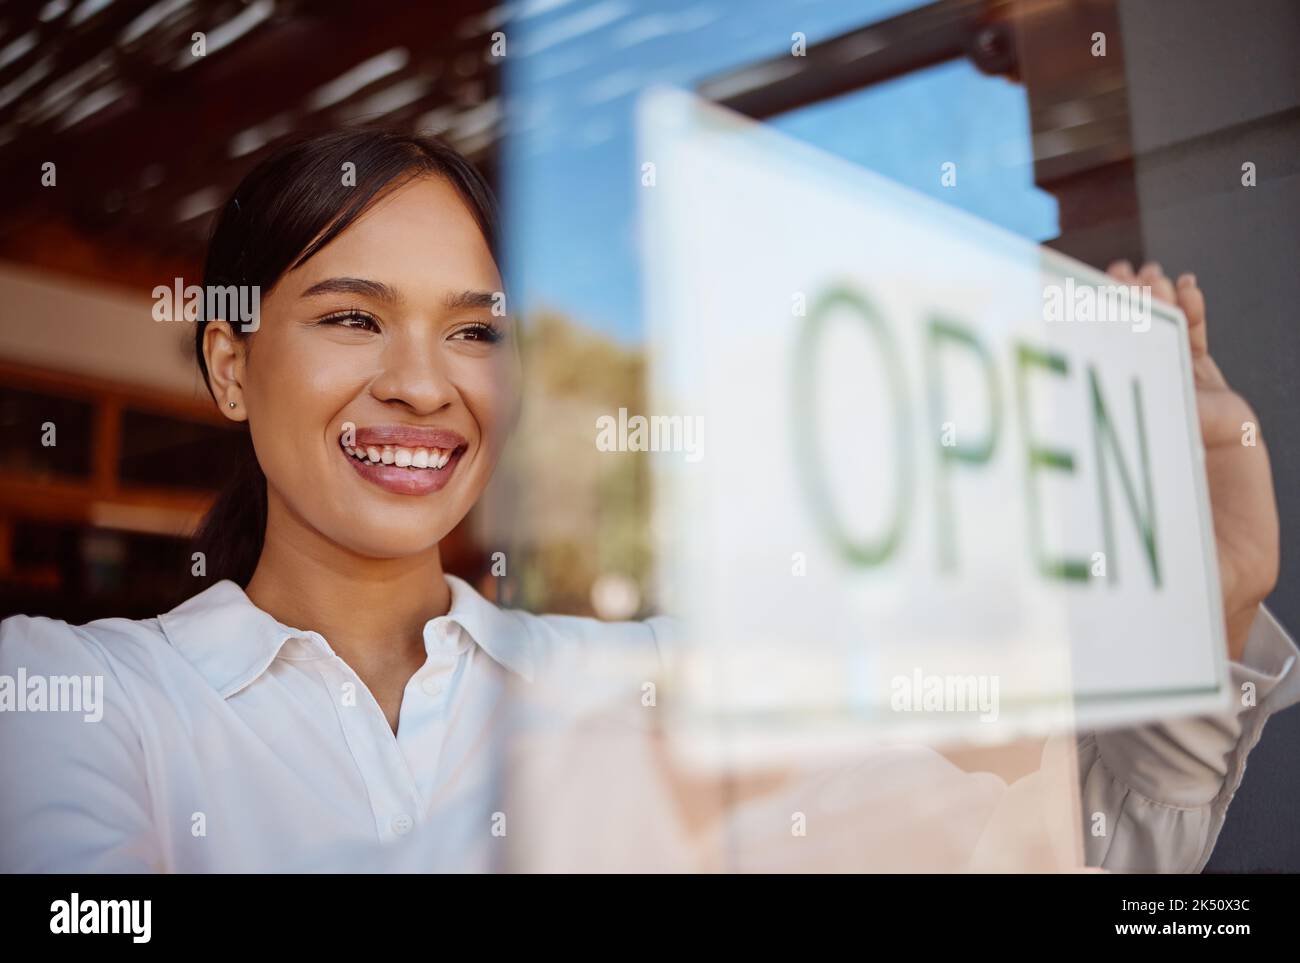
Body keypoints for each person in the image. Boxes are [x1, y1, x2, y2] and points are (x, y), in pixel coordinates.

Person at [0, 130, 1295, 872]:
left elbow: (1038, 851)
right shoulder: (74, 698)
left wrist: (1205, 612)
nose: (420, 386)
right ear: (231, 363)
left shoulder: (647, 684)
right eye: (351, 319)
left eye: (474, 333)